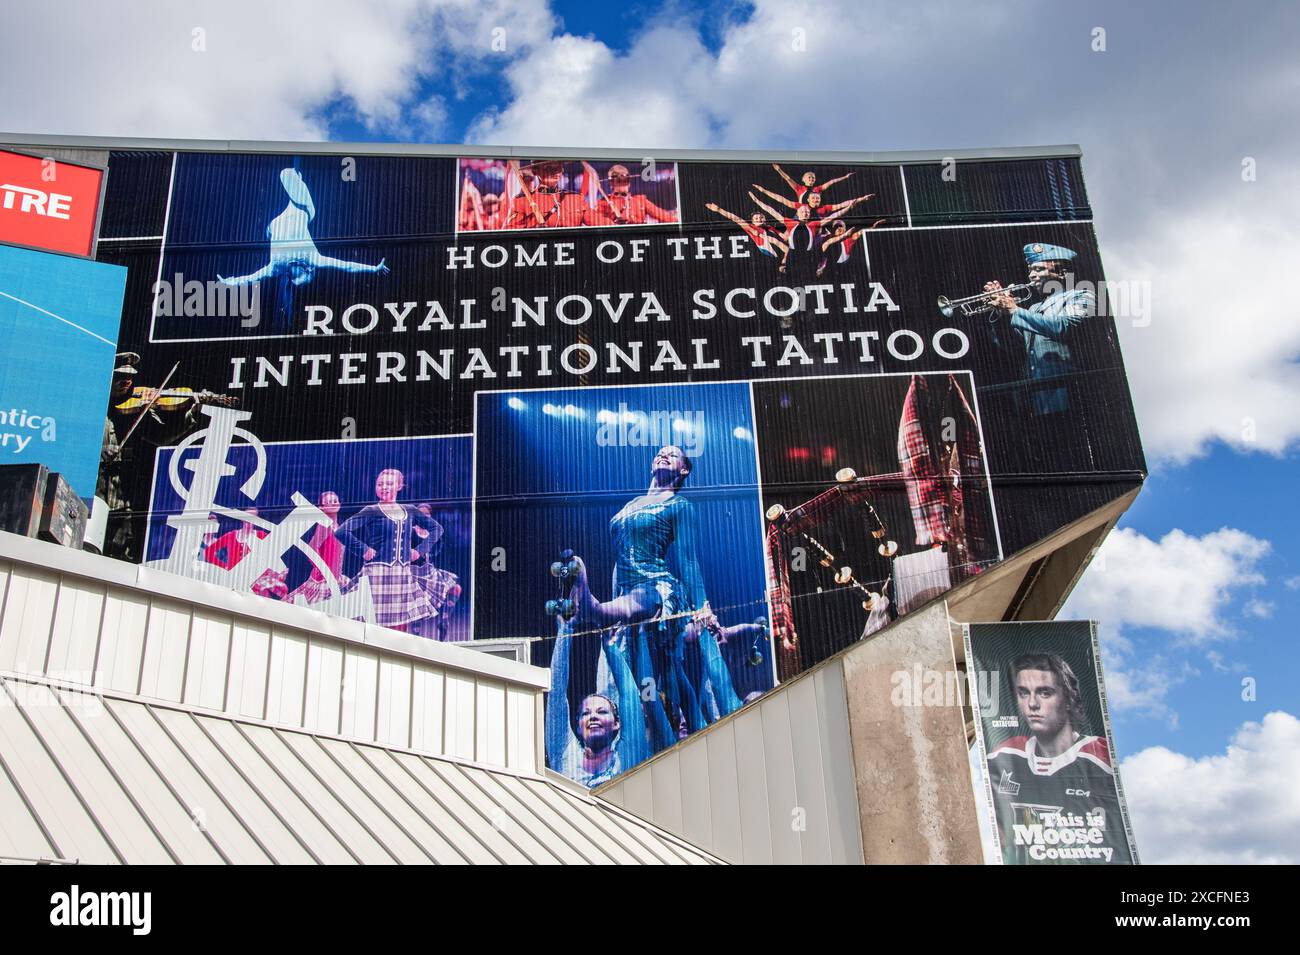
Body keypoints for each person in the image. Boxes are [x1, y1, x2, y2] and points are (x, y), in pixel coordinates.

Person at [565, 446, 756, 752]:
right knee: (663, 673)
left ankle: (595, 608)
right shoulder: (631, 504)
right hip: (627, 590)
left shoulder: (679, 506)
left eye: (673, 454)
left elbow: (688, 561)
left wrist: (702, 606)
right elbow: (620, 563)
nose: (663, 455)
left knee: (666, 657)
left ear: (684, 470)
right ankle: (601, 610)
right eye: (660, 452)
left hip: (658, 588)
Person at [984, 651, 1133, 864]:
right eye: (1024, 693)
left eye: (1045, 693)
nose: (1032, 704)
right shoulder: (1005, 755)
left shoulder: (1099, 757)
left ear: (1069, 698)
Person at [218, 168, 390, 289]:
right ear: (309, 271)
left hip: (276, 223)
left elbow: (250, 278)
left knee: (286, 174)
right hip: (302, 208)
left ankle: (296, 177)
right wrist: (372, 268)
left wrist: (230, 282)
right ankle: (298, 176)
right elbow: (347, 266)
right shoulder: (314, 260)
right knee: (286, 173)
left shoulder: (276, 268)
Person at [982, 243, 1095, 416]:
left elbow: (1063, 327)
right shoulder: (1034, 308)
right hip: (1034, 394)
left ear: (1062, 273)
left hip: (1066, 391)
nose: (1032, 275)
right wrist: (1000, 314)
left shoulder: (1082, 295)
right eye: (1030, 270)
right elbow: (1012, 347)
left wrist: (1013, 309)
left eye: (1039, 269)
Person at [335, 468, 443, 633]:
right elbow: (342, 531)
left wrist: (419, 550)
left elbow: (437, 528)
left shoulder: (410, 510)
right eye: (380, 484)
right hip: (377, 574)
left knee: (400, 623)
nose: (383, 487)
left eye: (389, 483)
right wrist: (363, 549)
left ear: (399, 486)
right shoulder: (371, 510)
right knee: (375, 622)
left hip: (402, 574)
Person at [546, 624, 650, 787]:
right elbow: (556, 696)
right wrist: (565, 630)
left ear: (617, 723)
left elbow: (629, 695)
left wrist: (610, 646)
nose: (593, 716)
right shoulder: (565, 755)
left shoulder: (628, 756)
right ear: (578, 726)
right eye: (585, 713)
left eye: (602, 712)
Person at [286, 491, 348, 606]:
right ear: (322, 507)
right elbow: (311, 549)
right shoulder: (324, 526)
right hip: (323, 580)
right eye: (329, 502)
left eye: (335, 501)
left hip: (336, 578)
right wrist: (321, 569)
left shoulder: (339, 528)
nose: (333, 504)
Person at [503, 161, 588, 229]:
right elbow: (509, 236)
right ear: (535, 171)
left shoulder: (577, 199)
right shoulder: (521, 201)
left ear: (562, 170)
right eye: (548, 168)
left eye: (558, 168)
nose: (555, 171)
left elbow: (599, 225)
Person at [584, 164, 677, 225]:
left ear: (629, 183)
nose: (623, 185)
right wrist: (612, 224)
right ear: (611, 184)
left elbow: (665, 217)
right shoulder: (603, 204)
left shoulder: (641, 201)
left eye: (625, 181)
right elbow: (593, 222)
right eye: (618, 181)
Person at [704, 202, 788, 262]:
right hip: (766, 253)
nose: (759, 219)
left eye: (761, 217)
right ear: (752, 221)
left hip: (779, 255)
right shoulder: (751, 227)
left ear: (765, 219)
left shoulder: (770, 228)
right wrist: (719, 210)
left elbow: (784, 238)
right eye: (756, 218)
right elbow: (736, 219)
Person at [770, 163, 854, 204]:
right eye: (809, 177)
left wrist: (845, 177)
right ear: (803, 179)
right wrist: (779, 170)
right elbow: (787, 178)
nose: (811, 179)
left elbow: (831, 182)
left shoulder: (817, 189)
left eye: (813, 177)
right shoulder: (799, 188)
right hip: (802, 213)